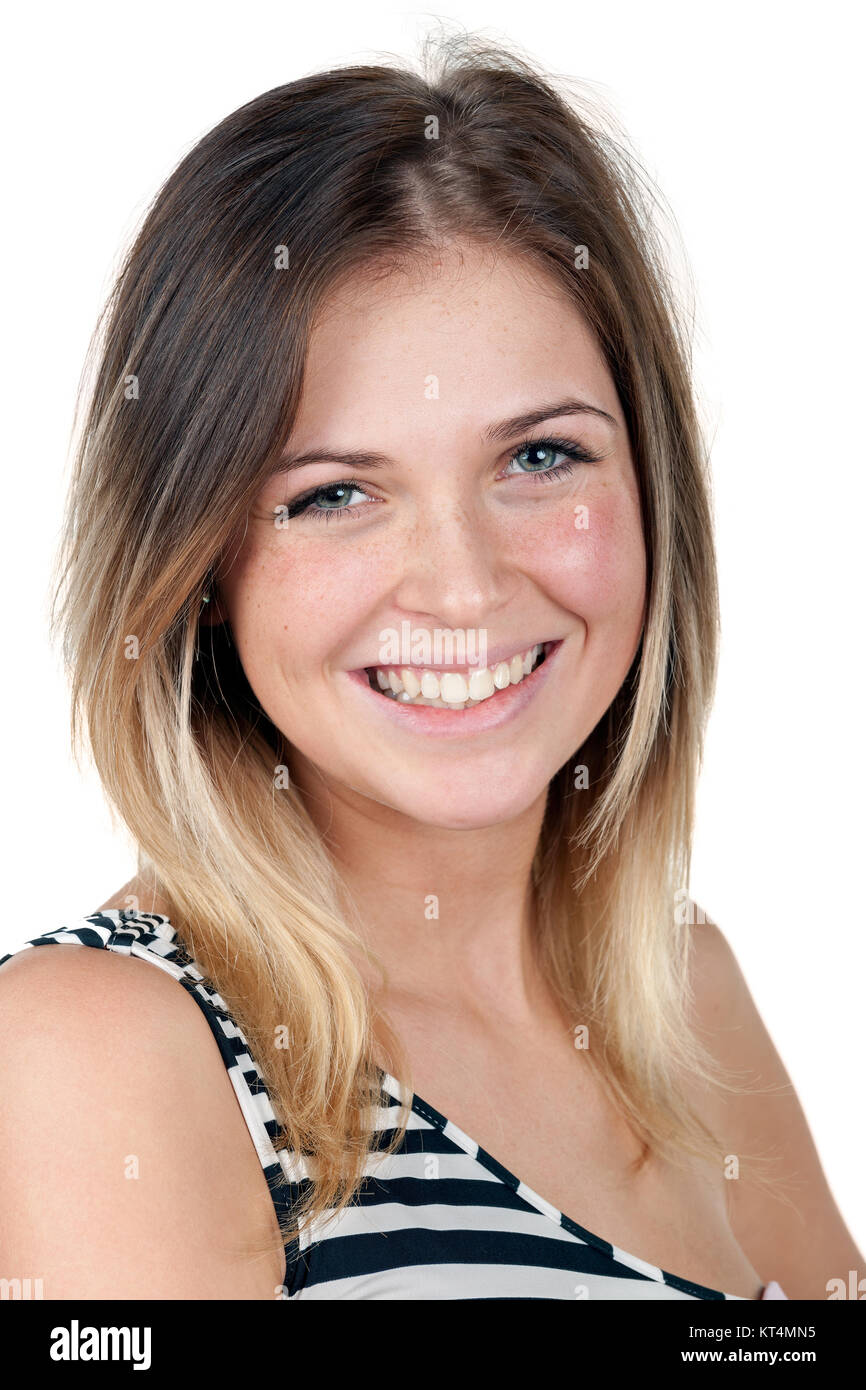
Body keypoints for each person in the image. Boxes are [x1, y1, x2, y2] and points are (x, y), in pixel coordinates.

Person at [0, 33, 860, 1300]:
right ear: (200, 570)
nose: (461, 587)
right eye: (335, 492)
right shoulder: (93, 1045)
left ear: (650, 481)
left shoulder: (683, 992)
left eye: (539, 458)